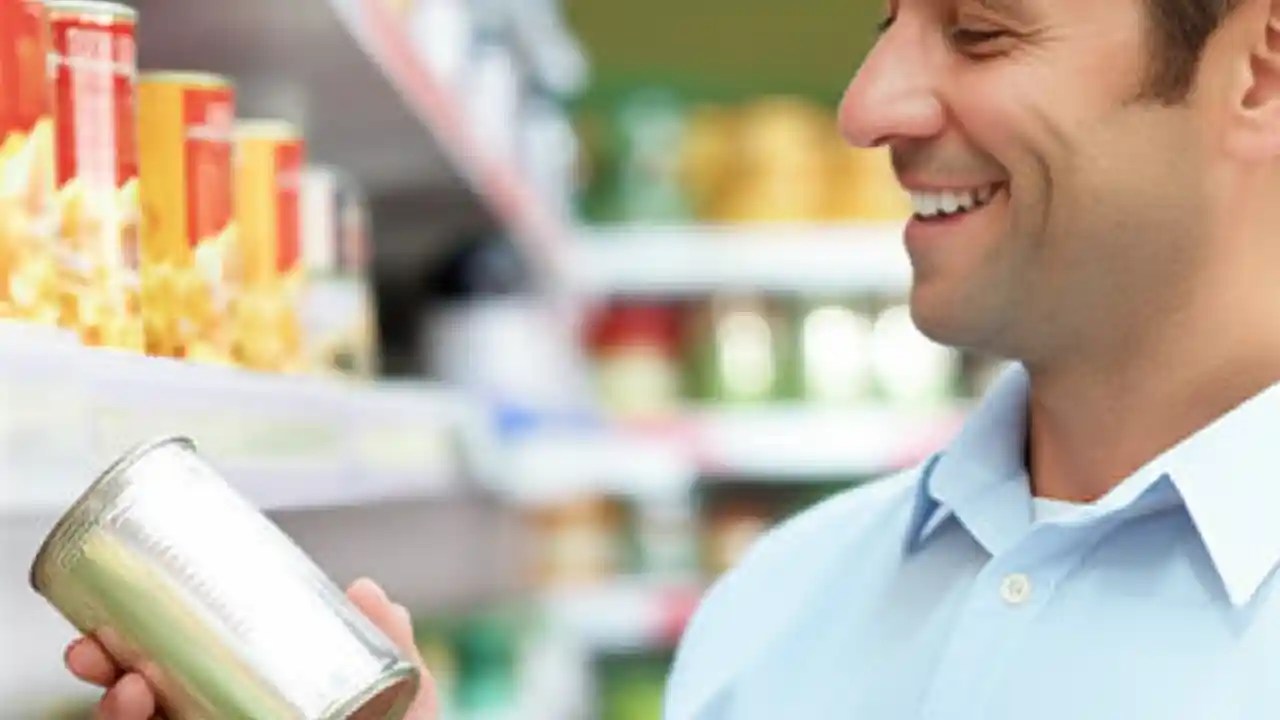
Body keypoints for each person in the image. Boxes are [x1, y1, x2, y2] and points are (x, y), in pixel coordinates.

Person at [66, 0, 1280, 716]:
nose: (865, 108)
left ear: (1256, 71)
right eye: (885, 22)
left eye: (978, 31)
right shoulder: (776, 601)